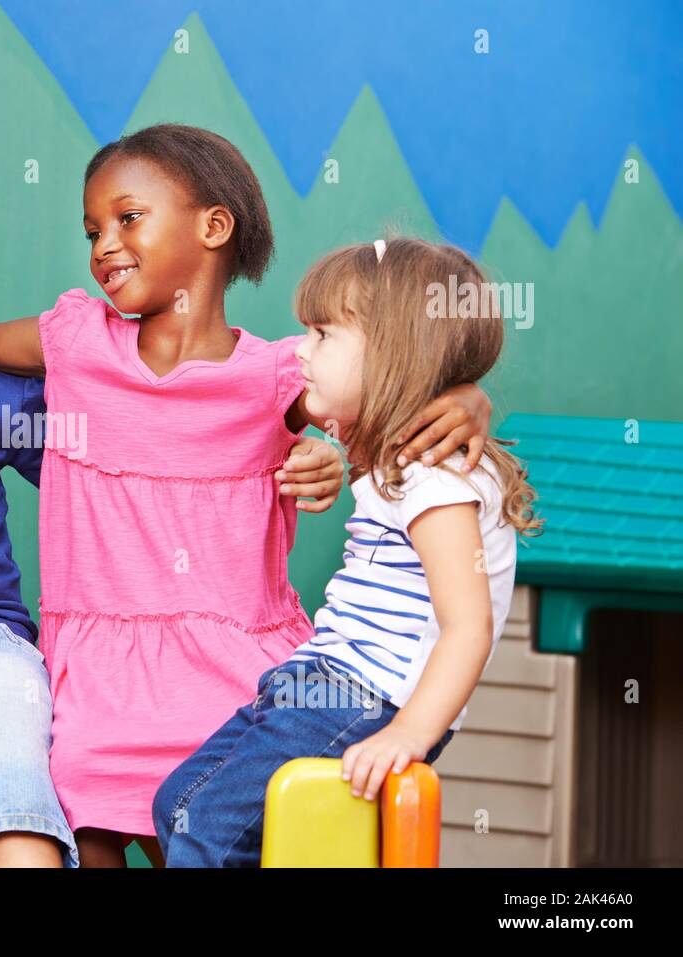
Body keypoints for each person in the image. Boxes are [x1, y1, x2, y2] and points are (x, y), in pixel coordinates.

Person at [0, 124, 494, 866]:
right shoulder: (74, 342)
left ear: (214, 226)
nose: (103, 244)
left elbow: (396, 375)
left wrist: (466, 395)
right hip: (100, 675)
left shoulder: (279, 377)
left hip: (237, 672)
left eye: (128, 217)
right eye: (92, 230)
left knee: (226, 824)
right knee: (83, 816)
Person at [153, 237, 542, 866]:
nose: (301, 349)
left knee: (204, 831)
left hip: (367, 695)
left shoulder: (436, 475)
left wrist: (412, 732)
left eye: (323, 334)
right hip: (317, 682)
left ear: (394, 354)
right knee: (177, 806)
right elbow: (310, 404)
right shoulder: (399, 455)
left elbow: (468, 625)